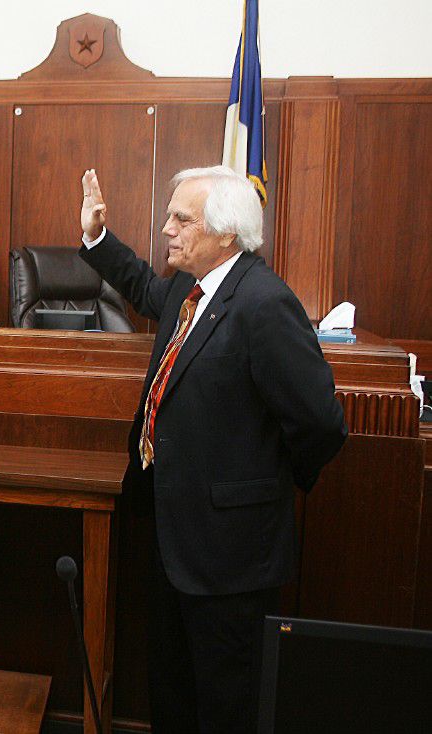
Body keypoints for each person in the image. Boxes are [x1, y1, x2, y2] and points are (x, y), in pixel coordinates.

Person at [77, 166, 346, 733]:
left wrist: (262, 486)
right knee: (171, 697)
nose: (166, 228)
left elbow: (321, 422)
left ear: (227, 234)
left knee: (226, 707)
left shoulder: (264, 303)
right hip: (172, 536)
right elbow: (144, 288)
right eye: (169, 215)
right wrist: (98, 238)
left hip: (233, 556)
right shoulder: (186, 285)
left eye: (181, 218)